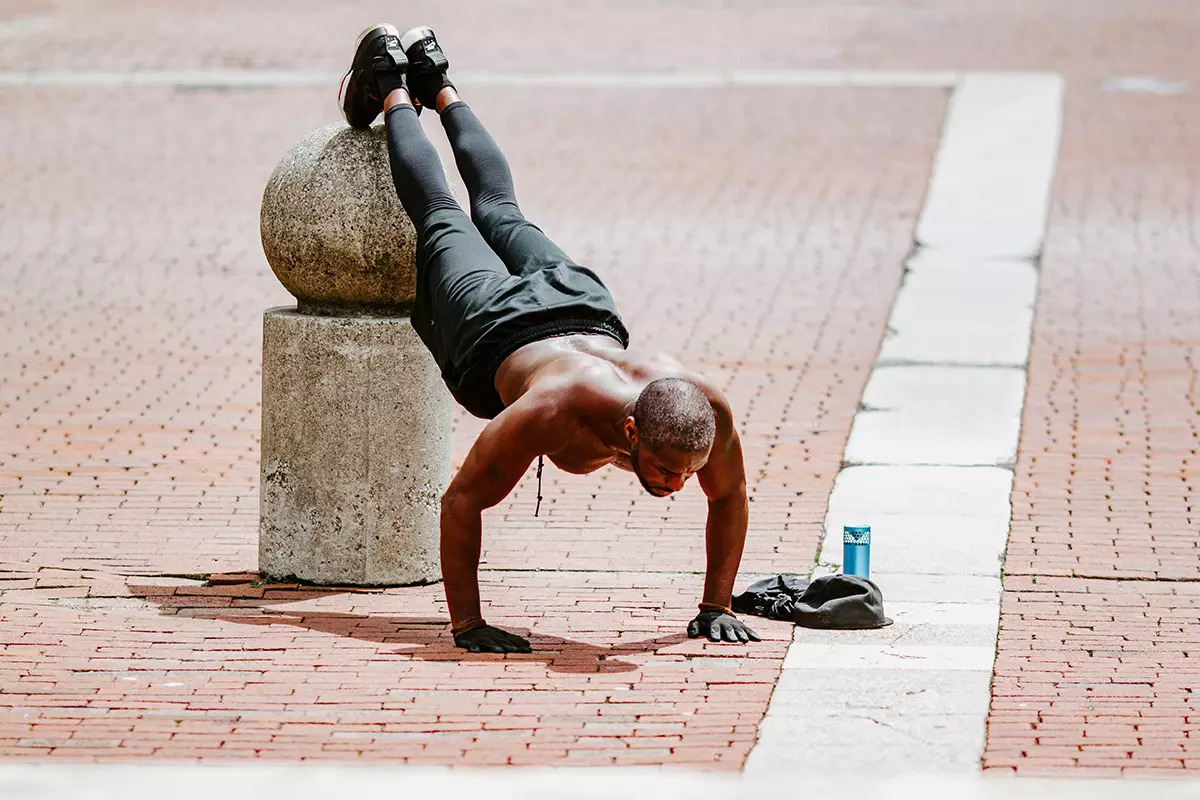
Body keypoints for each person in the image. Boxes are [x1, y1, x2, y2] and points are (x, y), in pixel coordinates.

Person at [338, 24, 760, 653]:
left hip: (581, 305)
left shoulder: (705, 409)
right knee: (442, 213)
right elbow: (460, 503)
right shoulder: (549, 410)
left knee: (502, 211)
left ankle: (440, 81)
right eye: (670, 473)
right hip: (494, 323)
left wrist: (715, 605)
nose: (677, 486)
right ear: (630, 431)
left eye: (685, 473)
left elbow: (729, 495)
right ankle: (393, 83)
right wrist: (467, 625)